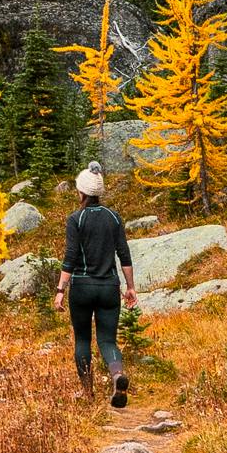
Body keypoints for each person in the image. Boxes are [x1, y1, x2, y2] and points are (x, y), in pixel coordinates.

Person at [55, 162, 136, 404]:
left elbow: (70, 257)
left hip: (81, 287)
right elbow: (124, 254)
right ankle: (117, 375)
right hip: (109, 287)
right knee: (107, 340)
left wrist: (60, 290)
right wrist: (130, 287)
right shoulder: (113, 217)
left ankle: (87, 391)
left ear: (81, 192)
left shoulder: (75, 219)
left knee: (82, 340)